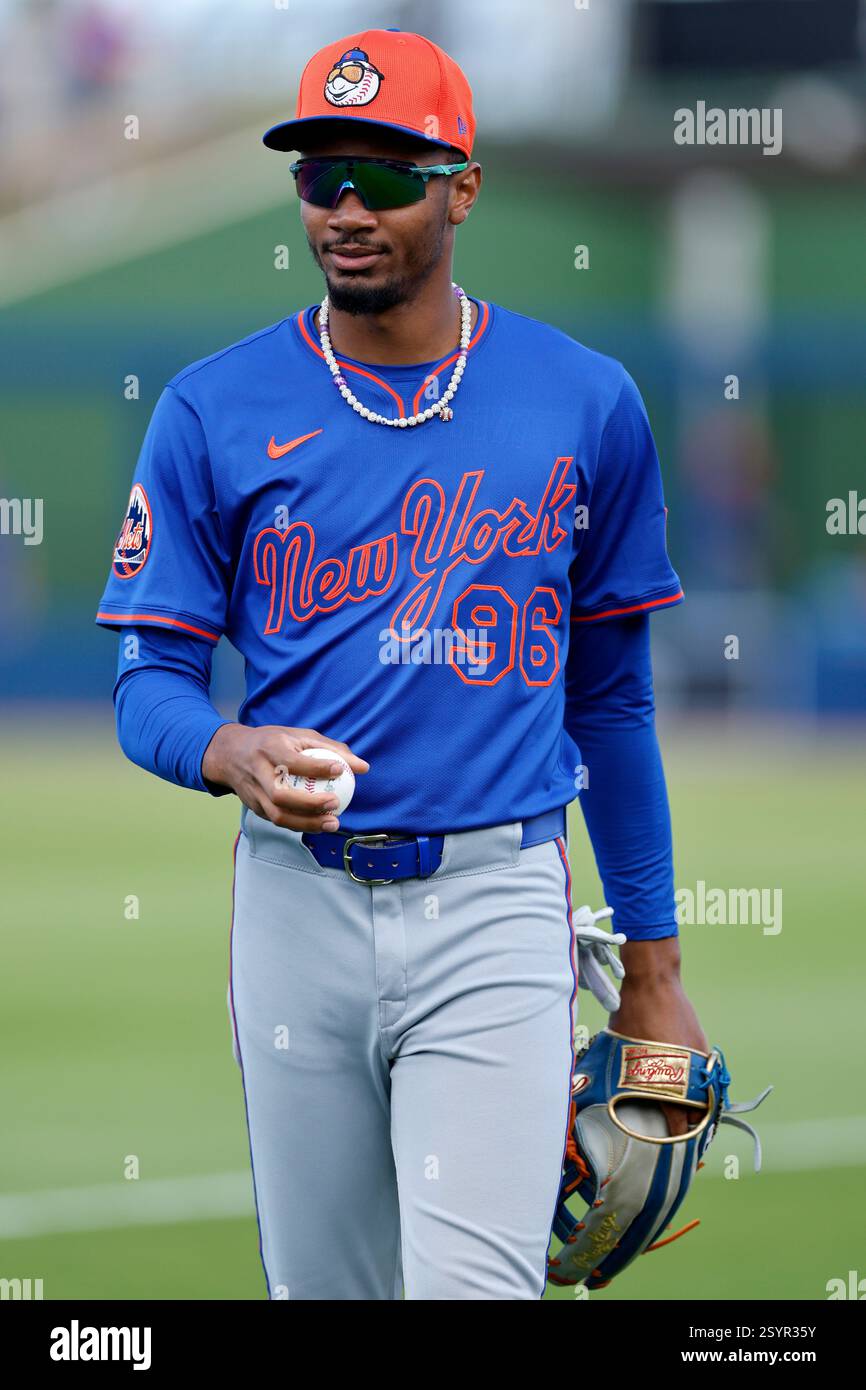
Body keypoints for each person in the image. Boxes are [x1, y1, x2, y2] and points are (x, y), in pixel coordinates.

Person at [96, 28, 705, 1301]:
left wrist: (652, 973)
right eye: (320, 176)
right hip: (291, 908)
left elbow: (611, 700)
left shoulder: (582, 400)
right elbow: (146, 681)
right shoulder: (212, 408)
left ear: (461, 185)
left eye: (382, 172)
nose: (346, 207)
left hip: (495, 904)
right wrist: (222, 745)